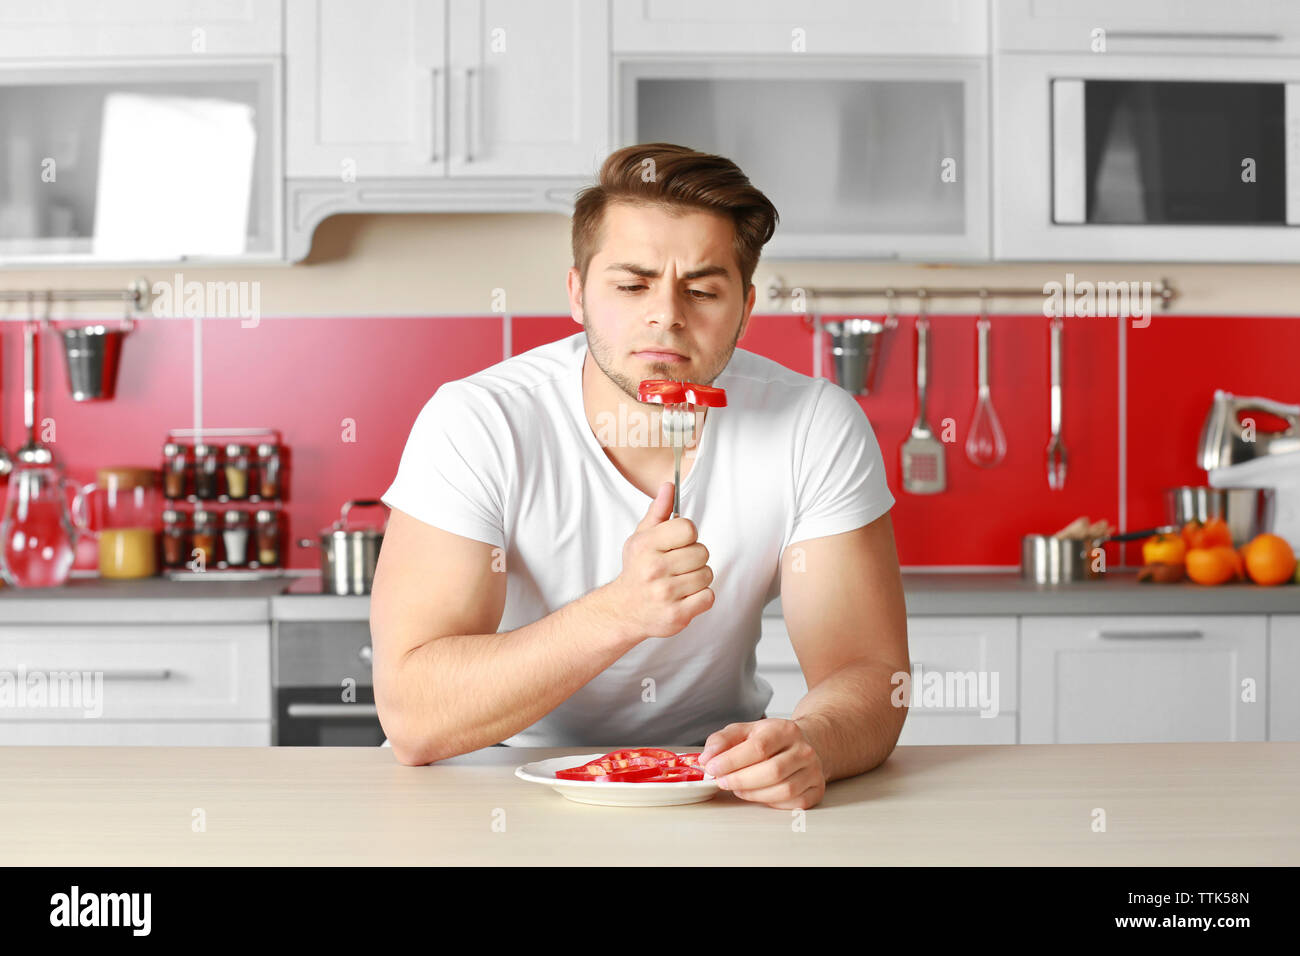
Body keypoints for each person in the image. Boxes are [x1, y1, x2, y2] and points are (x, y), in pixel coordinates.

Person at [371, 143, 909, 809]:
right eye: (631, 286)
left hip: (714, 782)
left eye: (704, 291)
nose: (667, 317)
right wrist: (619, 612)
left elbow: (871, 672)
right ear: (578, 294)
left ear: (744, 307)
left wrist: (812, 742)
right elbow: (413, 718)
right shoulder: (478, 423)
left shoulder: (814, 424)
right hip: (493, 782)